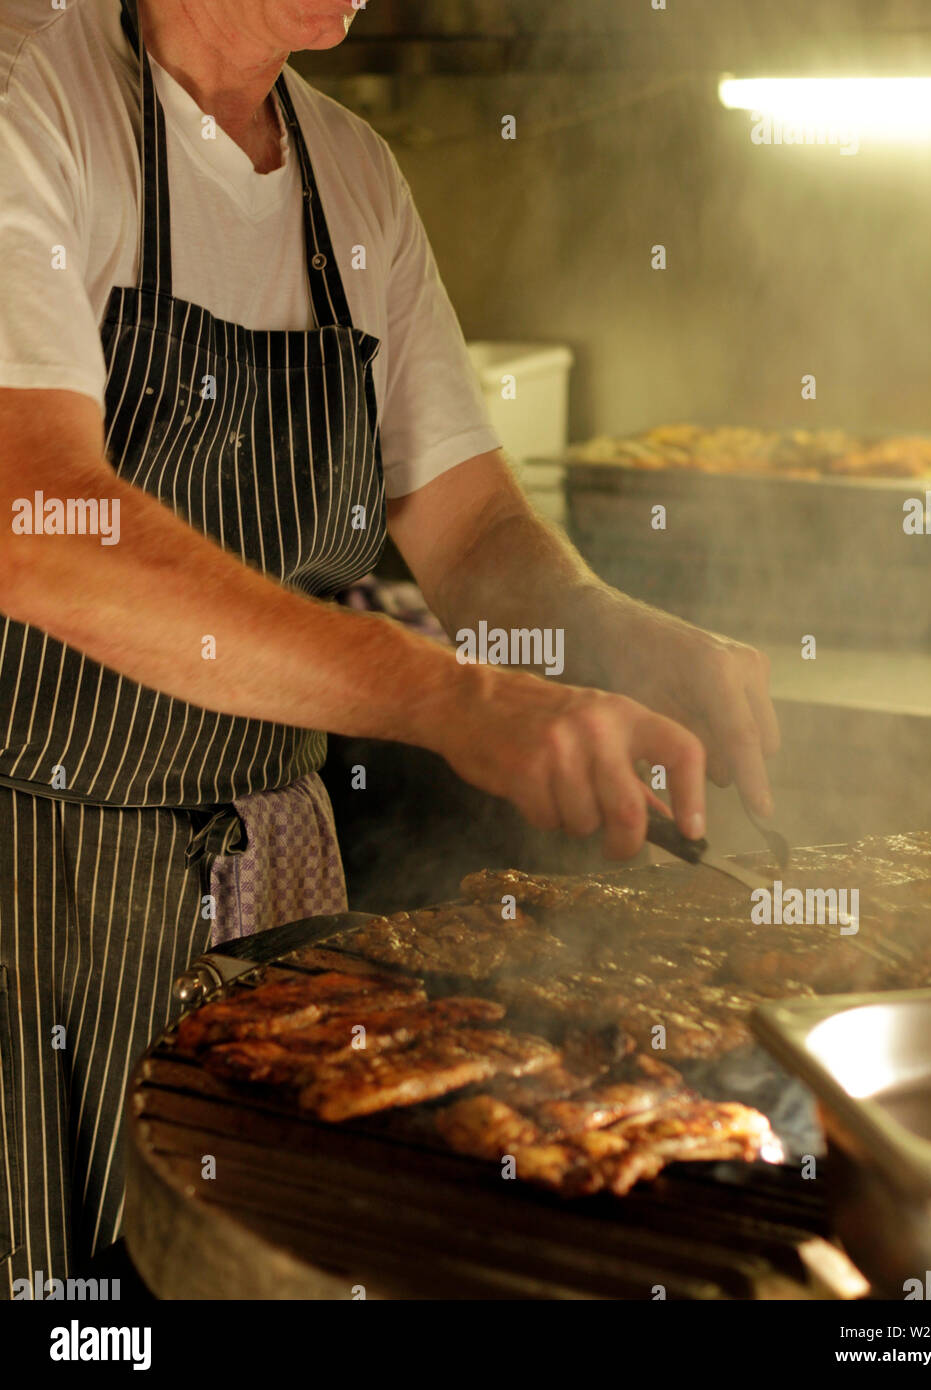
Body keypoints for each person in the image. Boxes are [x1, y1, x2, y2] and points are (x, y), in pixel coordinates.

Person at [0, 0, 779, 1294]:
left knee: (255, 1266)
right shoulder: (34, 90)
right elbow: (37, 520)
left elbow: (468, 527)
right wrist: (457, 698)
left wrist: (616, 633)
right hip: (38, 880)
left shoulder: (347, 169)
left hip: (269, 881)